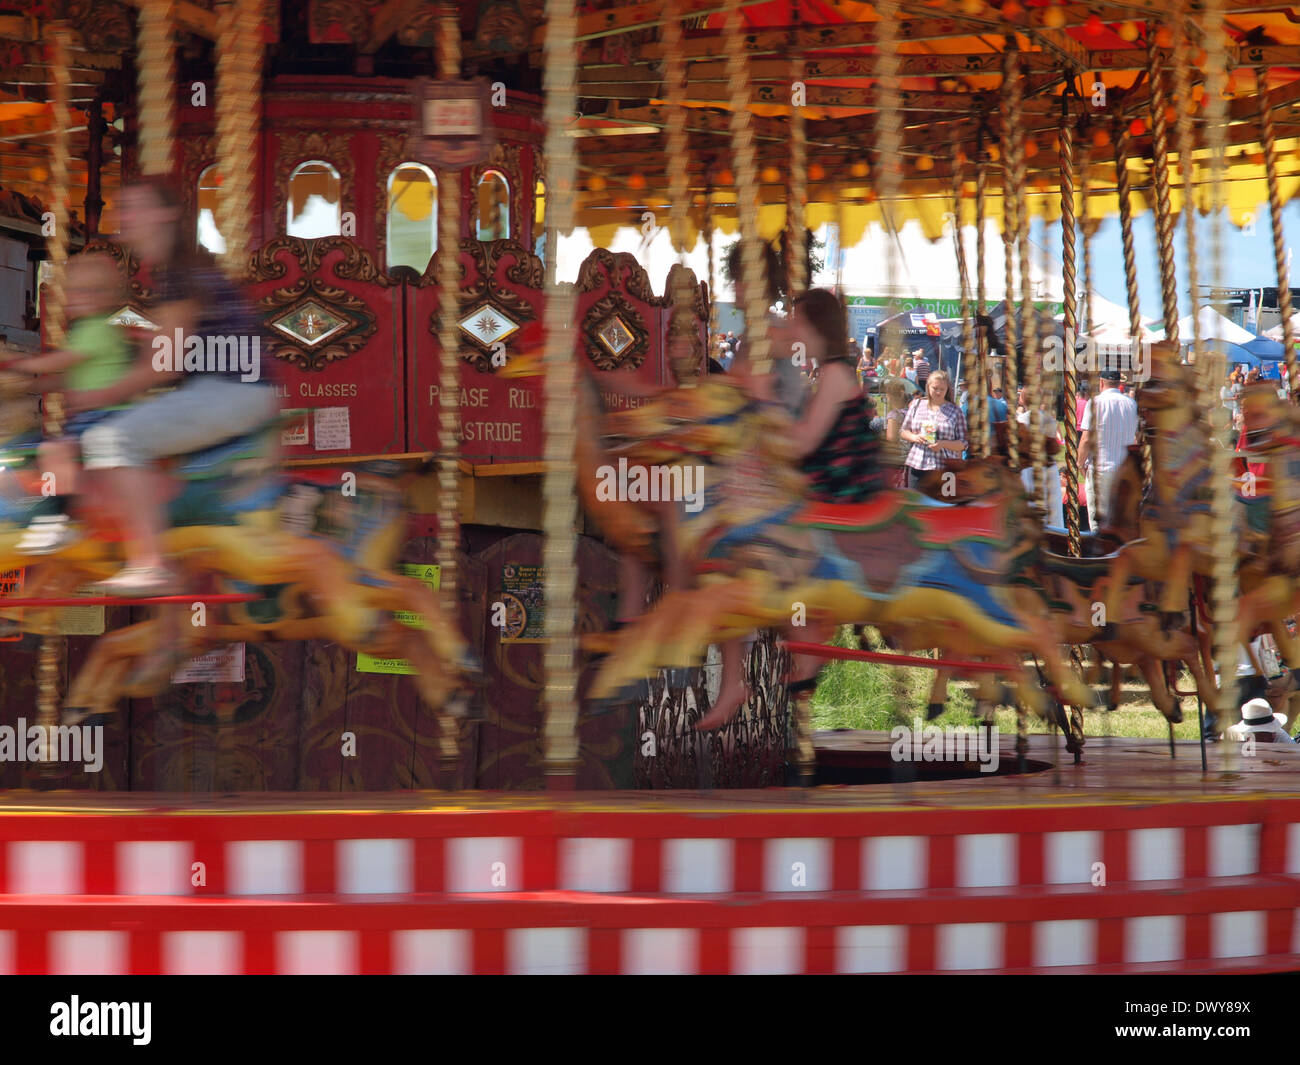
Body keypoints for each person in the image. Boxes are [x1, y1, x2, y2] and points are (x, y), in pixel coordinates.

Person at [74, 177, 281, 595]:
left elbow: (163, 365)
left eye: (132, 207)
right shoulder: (179, 269)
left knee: (110, 441)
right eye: (122, 209)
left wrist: (92, 397)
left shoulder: (180, 272)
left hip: (230, 390)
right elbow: (170, 347)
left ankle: (149, 563)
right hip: (228, 388)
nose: (123, 218)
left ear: (165, 214)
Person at [9, 253, 135, 553]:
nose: (80, 298)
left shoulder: (96, 330)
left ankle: (55, 521)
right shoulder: (84, 331)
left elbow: (64, 362)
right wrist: (33, 385)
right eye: (76, 290)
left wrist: (18, 365)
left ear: (108, 299)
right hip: (88, 418)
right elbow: (71, 377)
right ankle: (33, 512)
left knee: (54, 451)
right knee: (28, 447)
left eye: (92, 291)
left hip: (105, 418)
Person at [1078, 368, 1139, 531]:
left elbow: (1085, 439)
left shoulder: (1095, 403)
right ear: (1119, 383)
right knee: (1120, 522)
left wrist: (1079, 463)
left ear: (1101, 382)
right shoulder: (1131, 404)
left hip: (1100, 469)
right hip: (1124, 471)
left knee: (1098, 523)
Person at [899, 369, 967, 489]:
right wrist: (915, 437)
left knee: (944, 506)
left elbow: (963, 443)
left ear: (947, 390)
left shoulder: (956, 411)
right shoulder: (916, 405)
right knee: (918, 505)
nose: (938, 392)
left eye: (942, 389)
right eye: (935, 388)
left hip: (945, 468)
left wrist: (942, 444)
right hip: (917, 465)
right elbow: (903, 431)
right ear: (928, 387)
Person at [1017, 390, 1064, 529]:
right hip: (1048, 469)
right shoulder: (1049, 419)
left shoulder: (1021, 420)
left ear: (1023, 400)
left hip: (1028, 468)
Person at [1225, 698, 1296, 744]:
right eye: (1265, 733)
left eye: (1272, 731)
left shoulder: (1280, 734)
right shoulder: (1231, 736)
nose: (1272, 735)